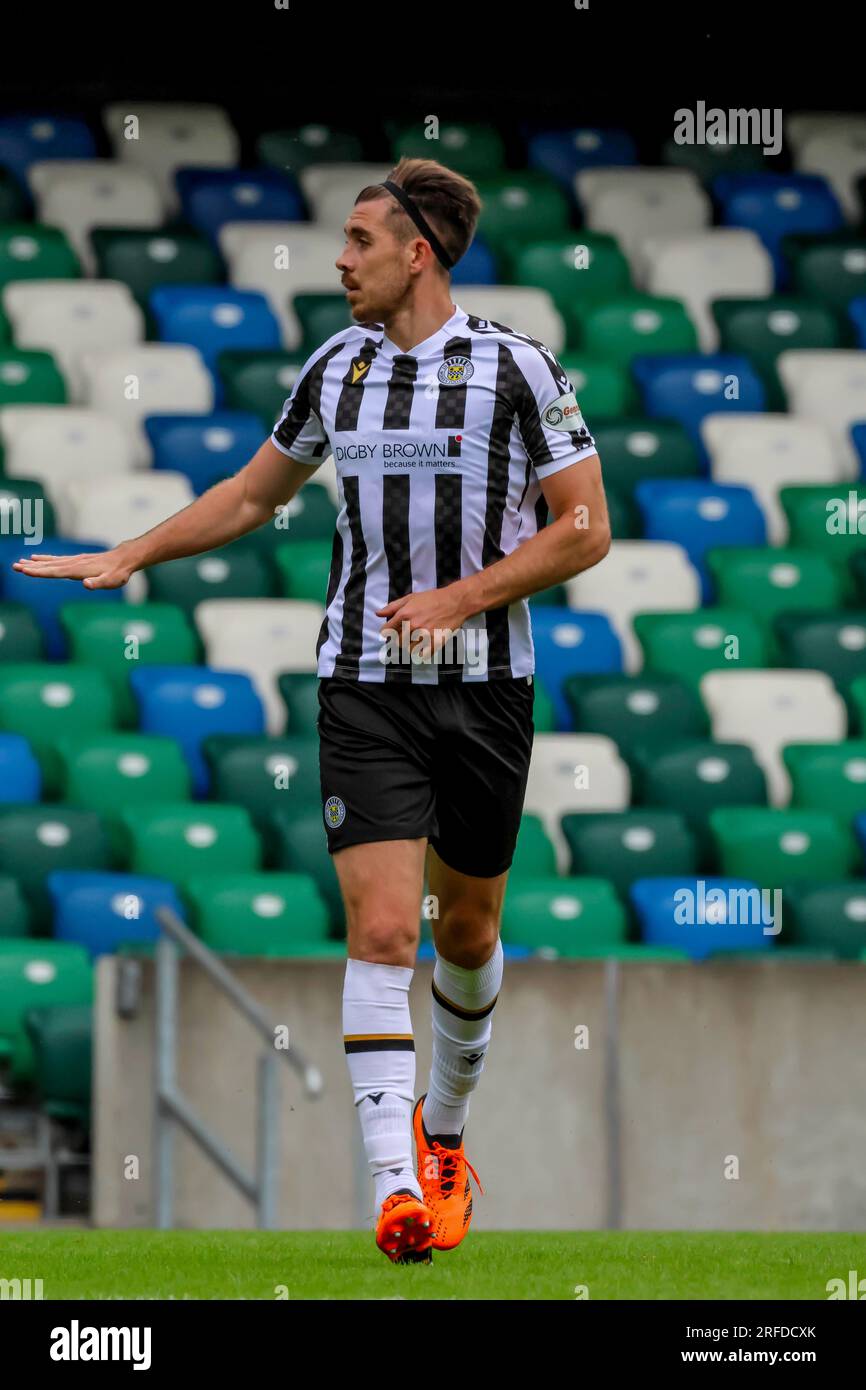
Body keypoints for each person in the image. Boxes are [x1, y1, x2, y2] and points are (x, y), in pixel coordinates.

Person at [14, 157, 610, 1264]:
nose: (339, 261)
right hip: (363, 686)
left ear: (415, 252)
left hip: (485, 688)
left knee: (467, 931)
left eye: (358, 241)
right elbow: (252, 494)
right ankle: (394, 1187)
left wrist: (461, 597)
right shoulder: (335, 368)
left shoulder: (518, 370)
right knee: (384, 929)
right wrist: (133, 551)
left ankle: (442, 1131)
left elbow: (584, 528)